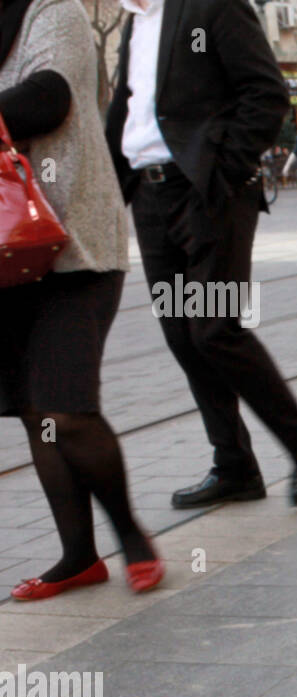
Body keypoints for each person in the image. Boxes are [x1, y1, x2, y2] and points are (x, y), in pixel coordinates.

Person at [106, 0, 297, 511]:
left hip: (208, 194)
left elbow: (266, 93)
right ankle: (234, 465)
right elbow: (128, 108)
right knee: (182, 334)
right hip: (150, 196)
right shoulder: (133, 22)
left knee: (214, 327)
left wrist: (222, 173)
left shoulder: (211, 5)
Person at [0, 0, 163, 600]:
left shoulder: (54, 11)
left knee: (65, 409)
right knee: (34, 416)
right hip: (4, 253)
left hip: (74, 244)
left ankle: (133, 537)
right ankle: (78, 556)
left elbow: (49, 98)